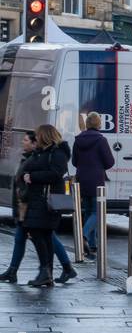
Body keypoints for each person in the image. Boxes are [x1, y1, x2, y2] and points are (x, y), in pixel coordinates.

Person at [1, 132, 76, 285]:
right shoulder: (34, 156)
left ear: (36, 142)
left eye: (26, 139)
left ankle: (56, 269)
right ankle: (19, 270)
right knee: (27, 237)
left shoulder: (45, 155)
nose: (23, 142)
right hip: (28, 204)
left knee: (43, 236)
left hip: (35, 204)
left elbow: (53, 174)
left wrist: (32, 177)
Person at [16, 124, 70, 289]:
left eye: (39, 135)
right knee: (43, 235)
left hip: (48, 201)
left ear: (45, 136)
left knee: (40, 234)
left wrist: (32, 176)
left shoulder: (58, 153)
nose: (36, 138)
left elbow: (55, 174)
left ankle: (46, 272)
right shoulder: (43, 152)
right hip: (38, 200)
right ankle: (46, 273)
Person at [73, 112, 115, 257]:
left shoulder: (78, 140)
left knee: (89, 210)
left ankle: (92, 245)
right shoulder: (101, 140)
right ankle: (83, 236)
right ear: (99, 124)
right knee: (97, 212)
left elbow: (74, 161)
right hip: (97, 180)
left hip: (82, 179)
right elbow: (109, 162)